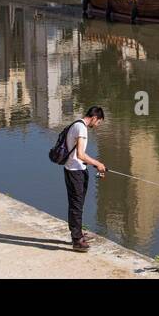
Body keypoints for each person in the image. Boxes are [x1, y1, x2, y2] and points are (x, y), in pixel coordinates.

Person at [63, 106, 106, 251]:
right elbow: (81, 154)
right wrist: (98, 163)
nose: (97, 126)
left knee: (76, 204)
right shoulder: (81, 129)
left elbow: (78, 155)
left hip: (73, 169)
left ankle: (78, 233)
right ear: (94, 118)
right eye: (98, 122)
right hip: (75, 172)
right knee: (76, 206)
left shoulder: (77, 124)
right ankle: (77, 240)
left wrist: (92, 164)